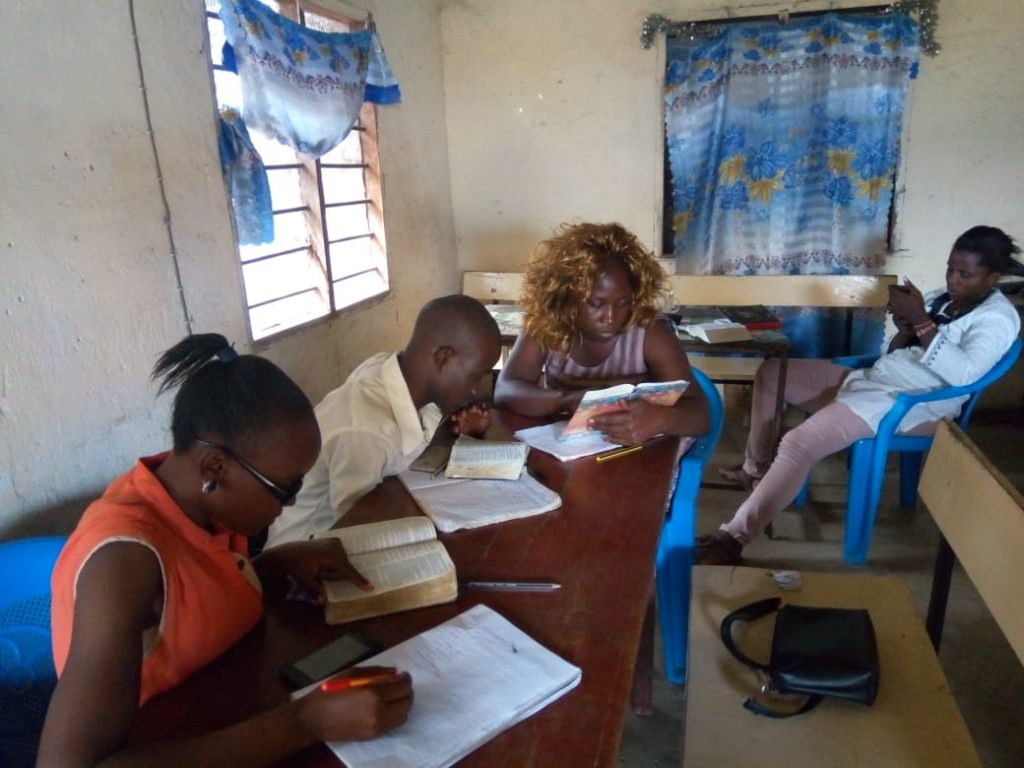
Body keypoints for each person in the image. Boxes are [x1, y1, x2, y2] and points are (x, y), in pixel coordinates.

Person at [38, 334, 413, 767]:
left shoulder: (193, 497)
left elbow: (196, 592)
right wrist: (304, 724)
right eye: (285, 488)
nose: (290, 503)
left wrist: (275, 565)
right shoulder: (122, 564)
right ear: (215, 467)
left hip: (227, 712)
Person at [699, 225, 1023, 564]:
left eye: (965, 274)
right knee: (772, 374)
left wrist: (923, 324)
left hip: (916, 402)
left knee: (798, 443)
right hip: (878, 380)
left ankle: (733, 536)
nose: (954, 279)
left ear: (993, 277)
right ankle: (756, 469)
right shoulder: (944, 298)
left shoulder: (998, 318)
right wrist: (906, 330)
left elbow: (966, 375)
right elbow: (899, 352)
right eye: (950, 269)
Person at [266, 294, 501, 547]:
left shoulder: (395, 372)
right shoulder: (367, 431)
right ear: (443, 358)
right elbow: (357, 531)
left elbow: (412, 438)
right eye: (475, 377)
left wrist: (464, 426)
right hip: (306, 556)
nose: (476, 389)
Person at [493, 222, 709, 445]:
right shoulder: (547, 327)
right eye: (596, 303)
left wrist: (660, 419)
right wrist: (567, 400)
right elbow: (506, 391)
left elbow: (701, 415)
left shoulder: (650, 333)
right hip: (572, 450)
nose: (609, 316)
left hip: (637, 450)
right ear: (566, 297)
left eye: (622, 303)